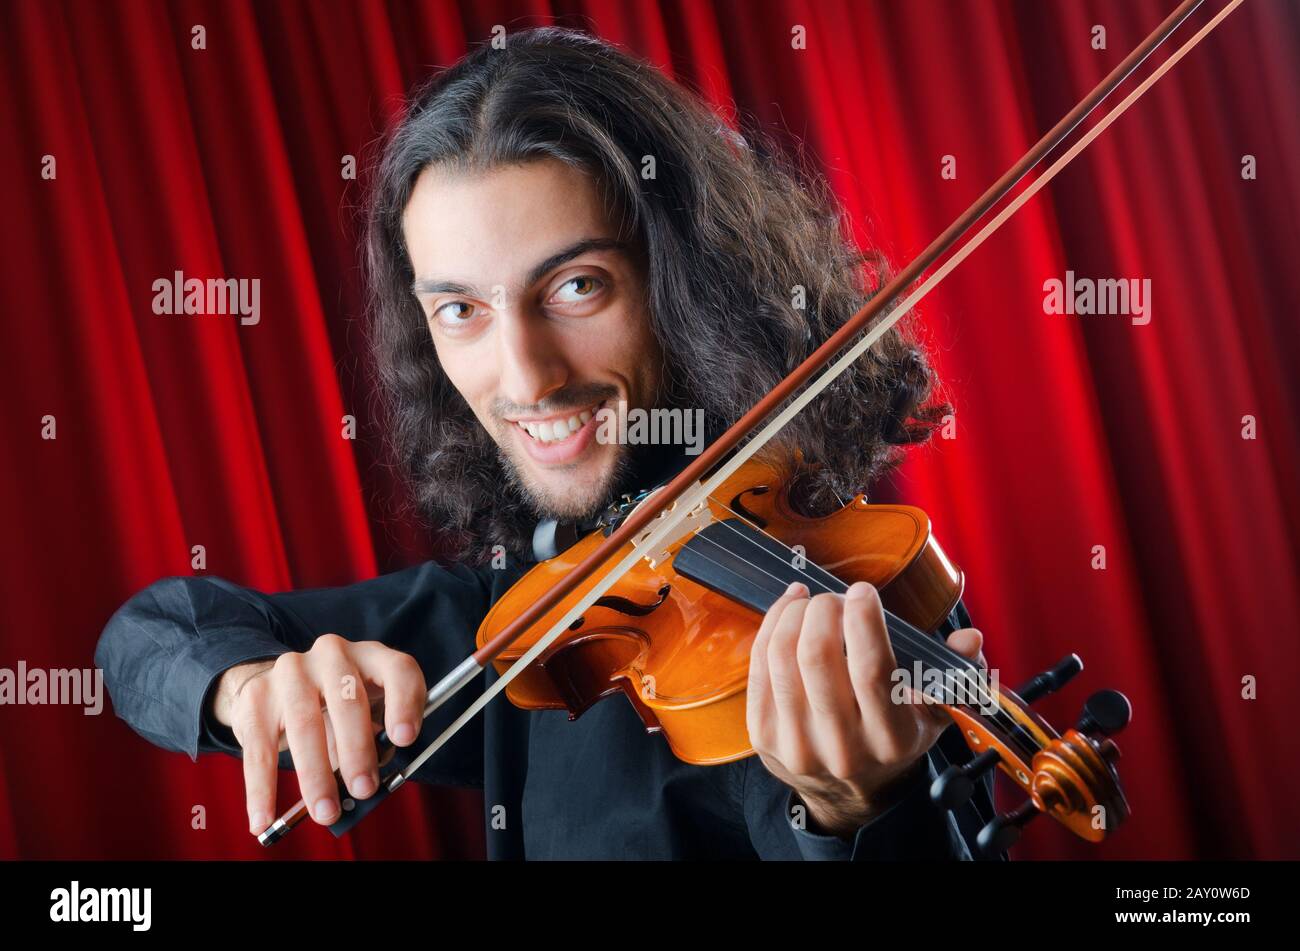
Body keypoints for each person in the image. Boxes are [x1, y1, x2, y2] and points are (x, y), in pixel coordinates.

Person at [96, 26, 997, 860]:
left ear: (686, 281)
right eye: (460, 310)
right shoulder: (527, 615)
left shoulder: (858, 605)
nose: (524, 377)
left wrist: (850, 815)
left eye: (576, 287)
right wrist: (246, 687)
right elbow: (147, 634)